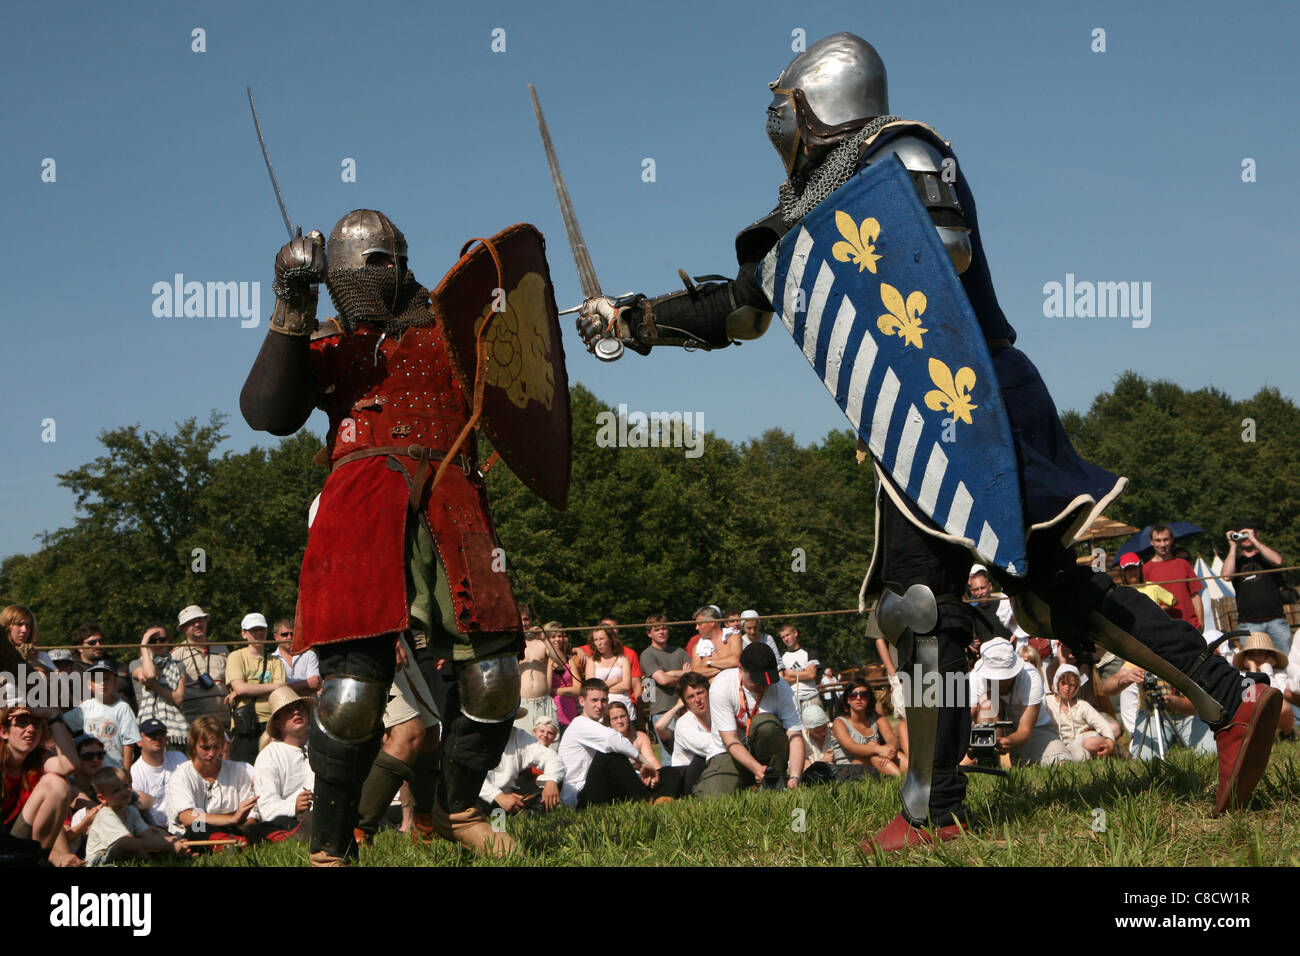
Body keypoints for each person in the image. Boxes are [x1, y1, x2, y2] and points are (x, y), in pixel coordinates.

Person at [573, 31, 1278, 848]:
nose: (778, 123)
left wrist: (837, 234)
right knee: (1046, 590)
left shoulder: (900, 151)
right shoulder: (821, 201)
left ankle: (933, 808)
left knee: (918, 604)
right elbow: (745, 305)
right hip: (941, 412)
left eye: (787, 107)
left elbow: (937, 257)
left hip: (961, 400)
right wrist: (637, 317)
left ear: (819, 106)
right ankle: (1233, 698)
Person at [241, 210, 542, 864]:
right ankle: (330, 845)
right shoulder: (327, 346)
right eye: (370, 262)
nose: (387, 272)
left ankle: (461, 807)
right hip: (361, 512)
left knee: (493, 677)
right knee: (352, 698)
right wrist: (291, 308)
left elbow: (527, 367)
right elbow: (267, 412)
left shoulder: (457, 332)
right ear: (339, 275)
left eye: (394, 257)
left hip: (454, 504)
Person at [694, 644, 805, 796]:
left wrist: (795, 777)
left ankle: (775, 781)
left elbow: (795, 735)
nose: (764, 686)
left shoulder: (782, 688)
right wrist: (757, 770)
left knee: (766, 724)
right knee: (712, 795)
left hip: (765, 754)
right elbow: (730, 741)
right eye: (758, 681)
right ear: (741, 669)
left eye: (768, 681)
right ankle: (749, 781)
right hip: (728, 752)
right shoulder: (721, 686)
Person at [558, 679, 680, 808]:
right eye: (594, 700)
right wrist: (643, 761)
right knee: (610, 755)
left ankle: (663, 797)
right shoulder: (580, 724)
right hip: (579, 796)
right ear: (582, 701)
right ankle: (647, 799)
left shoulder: (595, 726)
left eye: (603, 700)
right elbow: (613, 739)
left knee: (669, 772)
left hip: (601, 786)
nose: (599, 705)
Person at [968, 638, 1068, 767]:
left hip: (1035, 730)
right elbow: (966, 718)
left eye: (1005, 676)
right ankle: (988, 760)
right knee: (987, 703)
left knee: (1062, 763)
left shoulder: (1031, 677)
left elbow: (1025, 732)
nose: (1000, 681)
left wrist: (1009, 741)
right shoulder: (975, 677)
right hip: (992, 727)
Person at [1, 702, 78, 865]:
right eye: (22, 723)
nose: (30, 729)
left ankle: (38, 860)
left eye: (36, 724)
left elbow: (69, 765)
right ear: (3, 732)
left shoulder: (38, 758)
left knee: (57, 784)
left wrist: (52, 716)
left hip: (16, 842)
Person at [163, 715, 259, 842]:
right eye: (205, 748)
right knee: (198, 827)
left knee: (264, 826)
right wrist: (232, 818)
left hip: (233, 828)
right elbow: (187, 817)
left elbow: (251, 812)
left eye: (216, 747)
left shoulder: (238, 770)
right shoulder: (181, 775)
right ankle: (225, 843)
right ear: (193, 746)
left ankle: (237, 840)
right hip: (196, 830)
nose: (212, 754)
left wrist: (245, 826)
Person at [84, 766, 188, 865]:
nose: (125, 792)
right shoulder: (106, 815)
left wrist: (169, 841)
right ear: (102, 798)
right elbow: (128, 843)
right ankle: (152, 863)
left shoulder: (131, 811)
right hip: (100, 860)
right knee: (128, 842)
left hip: (123, 854)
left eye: (126, 786)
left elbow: (148, 835)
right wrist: (168, 845)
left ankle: (182, 855)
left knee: (157, 832)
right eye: (116, 790)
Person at [225, 613, 289, 763]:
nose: (259, 634)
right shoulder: (236, 657)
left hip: (272, 725)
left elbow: (282, 691)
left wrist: (247, 689)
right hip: (245, 726)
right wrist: (275, 685)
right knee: (244, 775)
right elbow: (240, 688)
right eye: (254, 630)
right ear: (244, 634)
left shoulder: (276, 662)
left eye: (262, 629)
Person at [253, 687, 316, 835]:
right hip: (290, 821)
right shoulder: (268, 756)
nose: (296, 712)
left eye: (299, 707)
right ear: (278, 722)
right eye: (288, 710)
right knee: (279, 823)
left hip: (328, 811)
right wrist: (294, 806)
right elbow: (267, 808)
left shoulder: (323, 743)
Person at [1223, 525, 1291, 656]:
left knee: (1285, 660)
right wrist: (1232, 546)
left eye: (1247, 533)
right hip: (1248, 623)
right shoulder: (1236, 561)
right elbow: (1226, 576)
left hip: (1276, 619)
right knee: (1254, 666)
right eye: (1241, 534)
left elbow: (1278, 561)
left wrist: (1254, 540)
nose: (1245, 537)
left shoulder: (1266, 555)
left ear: (1256, 534)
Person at [64, 663, 140, 772]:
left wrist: (126, 770)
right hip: (90, 770)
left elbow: (128, 741)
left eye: (107, 679)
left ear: (114, 683)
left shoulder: (122, 707)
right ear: (90, 684)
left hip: (114, 768)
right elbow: (63, 725)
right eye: (97, 680)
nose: (103, 683)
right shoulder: (86, 707)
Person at [479, 720, 564, 817]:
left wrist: (551, 780)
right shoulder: (474, 736)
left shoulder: (518, 735)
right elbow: (467, 775)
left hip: (512, 793)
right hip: (482, 796)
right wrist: (497, 795)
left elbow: (550, 756)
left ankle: (527, 814)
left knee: (554, 781)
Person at [130, 623, 189, 751]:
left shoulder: (179, 666)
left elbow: (178, 698)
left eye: (162, 639)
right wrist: (144, 647)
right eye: (152, 640)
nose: (157, 643)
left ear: (168, 640)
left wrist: (152, 686)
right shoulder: (135, 664)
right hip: (147, 728)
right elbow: (150, 674)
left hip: (173, 732)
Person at [171, 605, 230, 727]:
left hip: (223, 722)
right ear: (183, 628)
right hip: (192, 725)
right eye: (191, 622)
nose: (197, 625)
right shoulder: (175, 655)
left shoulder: (222, 649)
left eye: (200, 620)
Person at [640, 614, 691, 755]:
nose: (661, 632)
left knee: (688, 751)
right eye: (656, 630)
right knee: (670, 754)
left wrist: (670, 674)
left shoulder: (680, 652)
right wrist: (680, 673)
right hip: (662, 710)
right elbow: (663, 680)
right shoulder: (647, 655)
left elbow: (691, 677)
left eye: (664, 628)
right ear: (649, 633)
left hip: (685, 708)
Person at [1043, 665, 1116, 762]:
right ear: (1057, 683)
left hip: (1080, 739)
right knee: (1078, 756)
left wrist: (1110, 742)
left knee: (1091, 743)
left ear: (1077, 687)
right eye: (1063, 683)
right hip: (1059, 742)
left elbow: (1102, 723)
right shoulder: (1047, 702)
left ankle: (1110, 751)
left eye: (1072, 685)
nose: (1067, 688)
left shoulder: (1082, 705)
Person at [1142, 525, 1204, 631]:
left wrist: (1201, 621)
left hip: (1190, 626)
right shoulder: (1145, 570)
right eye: (1158, 540)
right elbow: (1145, 604)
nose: (1162, 544)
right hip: (1164, 629)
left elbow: (1195, 595)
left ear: (1172, 540)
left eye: (1165, 540)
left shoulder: (1183, 564)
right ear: (1151, 542)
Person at [833, 680, 902, 775]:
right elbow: (852, 747)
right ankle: (901, 779)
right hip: (848, 768)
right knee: (872, 748)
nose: (858, 698)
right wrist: (878, 749)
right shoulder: (839, 722)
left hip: (876, 760)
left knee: (895, 754)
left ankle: (916, 775)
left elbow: (891, 737)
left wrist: (891, 749)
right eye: (853, 695)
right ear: (848, 700)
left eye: (863, 694)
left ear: (869, 698)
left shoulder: (876, 717)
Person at [1234, 633, 1297, 738]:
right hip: (1254, 719)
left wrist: (1267, 669)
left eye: (1260, 653)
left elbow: (1278, 696)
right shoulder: (1243, 675)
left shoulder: (1278, 674)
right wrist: (1252, 669)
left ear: (1268, 655)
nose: (1256, 658)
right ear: (1246, 658)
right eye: (1252, 655)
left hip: (1276, 717)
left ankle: (1287, 735)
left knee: (1283, 705)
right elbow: (1249, 699)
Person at [130, 718, 186, 827]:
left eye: (161, 735)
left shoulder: (179, 758)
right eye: (152, 735)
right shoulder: (135, 772)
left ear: (166, 739)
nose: (157, 739)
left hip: (185, 822)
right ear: (139, 741)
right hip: (156, 830)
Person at [518, 625, 565, 733]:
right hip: (521, 705)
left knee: (549, 746)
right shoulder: (513, 645)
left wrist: (544, 639)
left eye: (526, 620)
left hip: (544, 704)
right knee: (521, 746)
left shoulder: (542, 643)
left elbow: (561, 662)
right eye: (521, 620)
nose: (524, 624)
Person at [584, 626, 635, 721]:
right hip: (601, 711)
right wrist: (615, 680)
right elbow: (591, 688)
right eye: (596, 640)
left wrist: (600, 689)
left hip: (623, 706)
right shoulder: (592, 661)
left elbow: (626, 685)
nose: (599, 643)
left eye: (602, 639)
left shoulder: (623, 659)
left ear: (611, 639)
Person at [688, 606, 740, 681]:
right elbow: (695, 673)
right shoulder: (697, 647)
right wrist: (726, 667)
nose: (696, 628)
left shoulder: (732, 637)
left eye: (699, 624)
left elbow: (736, 661)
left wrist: (708, 662)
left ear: (712, 622)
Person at [271, 619, 321, 695]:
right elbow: (274, 690)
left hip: (309, 705)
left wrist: (285, 688)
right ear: (276, 637)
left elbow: (315, 684)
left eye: (293, 634)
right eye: (284, 634)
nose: (289, 637)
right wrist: (306, 683)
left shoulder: (309, 654)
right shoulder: (271, 659)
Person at [546, 623, 581, 732]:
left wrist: (555, 690)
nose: (557, 639)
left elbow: (578, 689)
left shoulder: (569, 660)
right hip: (551, 712)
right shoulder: (544, 661)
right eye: (553, 637)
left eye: (559, 636)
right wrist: (550, 661)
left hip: (570, 711)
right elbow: (547, 689)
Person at [779, 623, 820, 706]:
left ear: (795, 633)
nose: (786, 639)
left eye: (787, 635)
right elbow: (782, 681)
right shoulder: (780, 657)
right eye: (783, 637)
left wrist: (789, 673)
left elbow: (811, 675)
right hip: (791, 700)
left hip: (811, 697)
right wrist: (804, 674)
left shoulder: (809, 652)